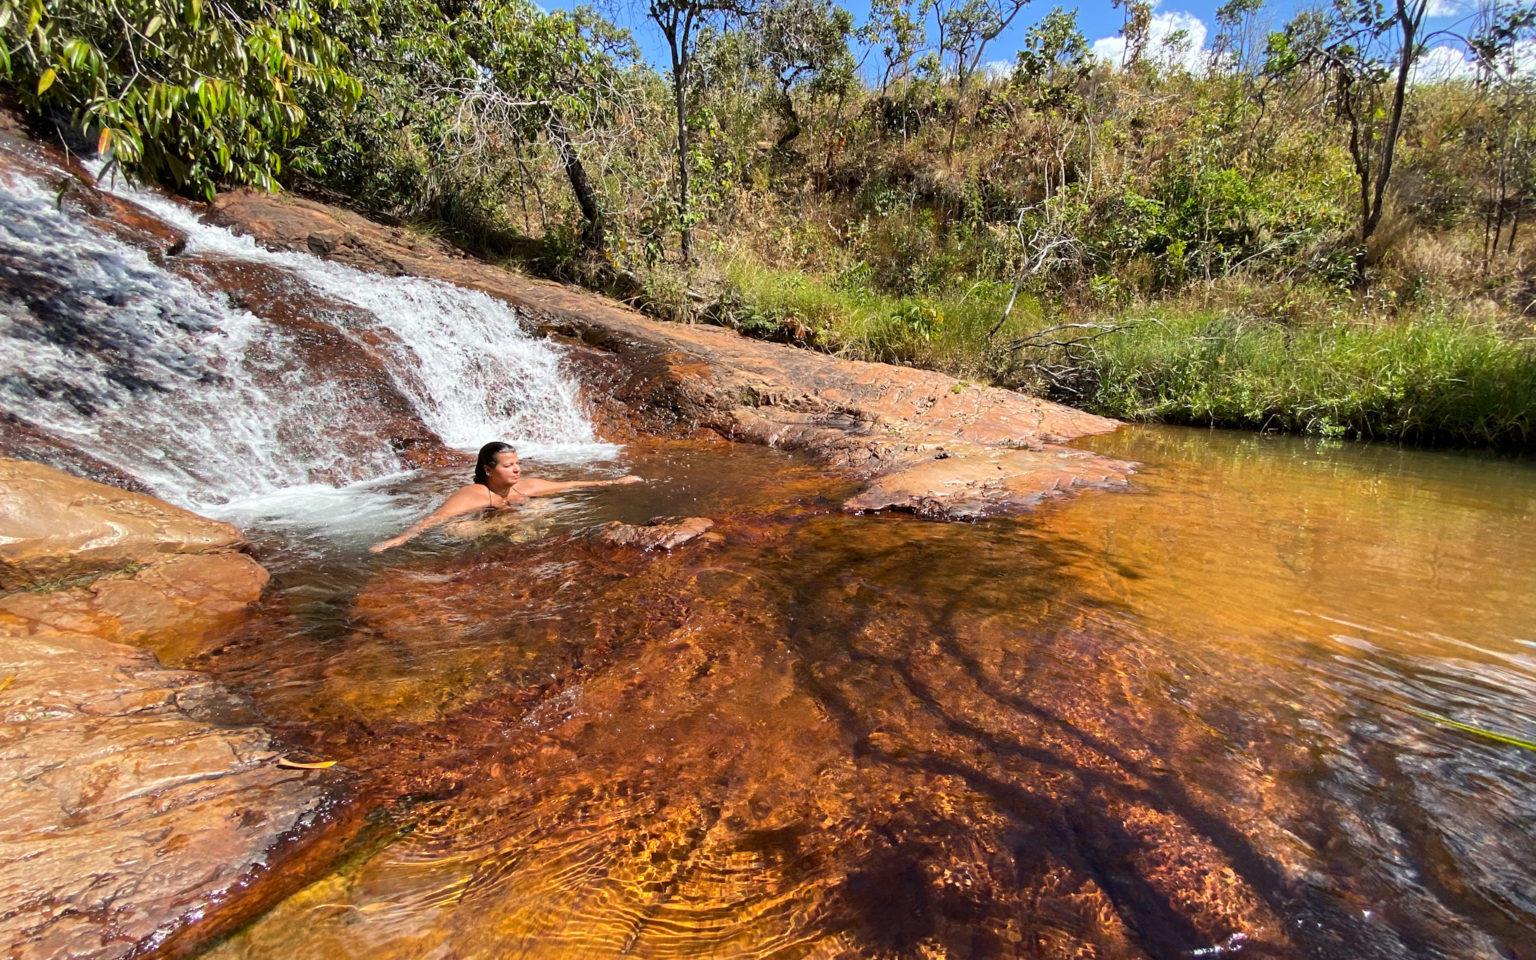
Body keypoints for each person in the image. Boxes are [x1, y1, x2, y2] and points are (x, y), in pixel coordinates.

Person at [369, 441, 641, 552]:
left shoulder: (524, 487)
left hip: (499, 524)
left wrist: (615, 481)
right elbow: (438, 518)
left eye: (517, 463)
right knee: (528, 514)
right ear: (488, 469)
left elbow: (569, 484)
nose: (516, 469)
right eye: (508, 465)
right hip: (464, 530)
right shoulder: (476, 494)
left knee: (541, 507)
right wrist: (400, 539)